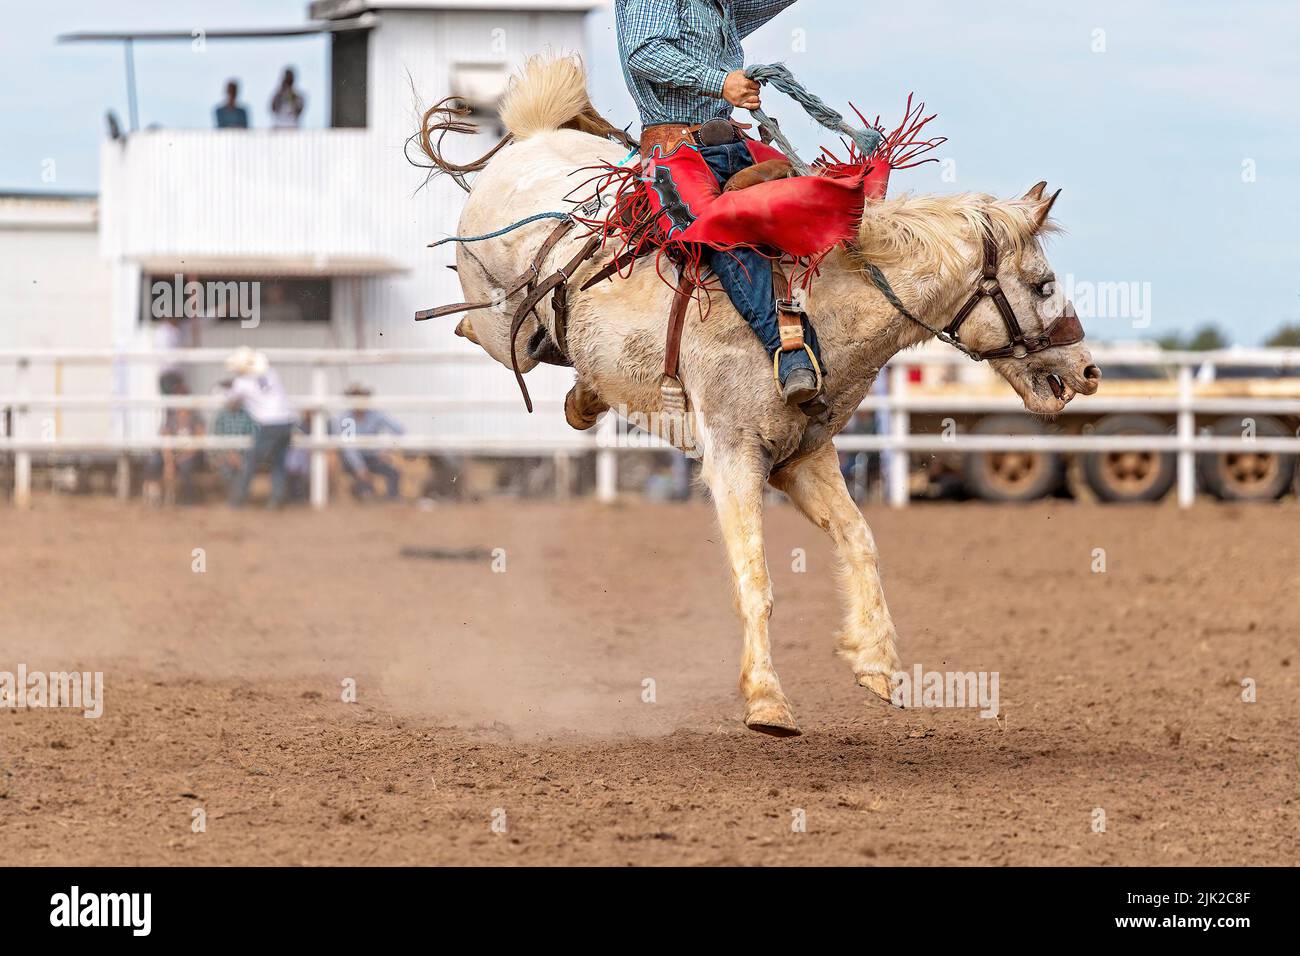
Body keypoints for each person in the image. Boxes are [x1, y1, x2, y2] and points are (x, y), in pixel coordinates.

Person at [614, 0, 824, 407]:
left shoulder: (720, 4)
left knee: (815, 197)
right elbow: (643, 53)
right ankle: (793, 353)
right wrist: (720, 82)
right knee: (725, 231)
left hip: (727, 145)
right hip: (676, 155)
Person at [222, 347, 296, 508]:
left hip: (270, 424)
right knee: (279, 461)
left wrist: (227, 389)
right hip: (287, 420)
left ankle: (238, 499)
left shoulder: (241, 383)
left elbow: (231, 403)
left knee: (250, 460)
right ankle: (276, 499)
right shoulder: (271, 372)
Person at [334, 384, 405, 500]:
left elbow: (399, 430)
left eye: (361, 397)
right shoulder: (346, 418)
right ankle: (364, 493)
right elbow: (349, 448)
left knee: (394, 474)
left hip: (374, 457)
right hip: (353, 460)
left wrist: (387, 450)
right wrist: (359, 467)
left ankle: (392, 499)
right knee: (364, 488)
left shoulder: (376, 414)